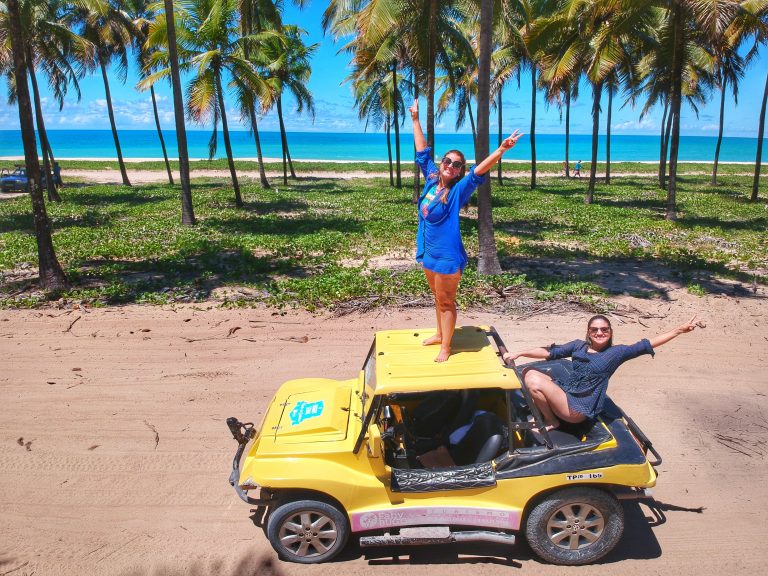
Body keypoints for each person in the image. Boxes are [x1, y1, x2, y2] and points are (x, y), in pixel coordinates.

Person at [409, 99, 523, 362]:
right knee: (437, 297)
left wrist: (501, 150)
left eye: (456, 164)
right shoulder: (431, 180)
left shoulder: (458, 190)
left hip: (448, 257)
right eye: (448, 161)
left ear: (460, 171)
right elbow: (422, 152)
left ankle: (446, 347)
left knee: (446, 300)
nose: (451, 165)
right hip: (428, 253)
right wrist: (415, 119)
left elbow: (478, 172)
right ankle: (440, 333)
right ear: (442, 163)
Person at [502, 314, 702, 431]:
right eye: (595, 329)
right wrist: (520, 352)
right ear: (589, 332)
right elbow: (549, 352)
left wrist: (678, 330)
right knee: (531, 371)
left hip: (578, 408)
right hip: (569, 393)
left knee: (531, 378)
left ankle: (551, 421)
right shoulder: (578, 346)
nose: (599, 333)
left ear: (610, 332)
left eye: (604, 329)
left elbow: (646, 344)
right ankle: (550, 416)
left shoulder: (615, 353)